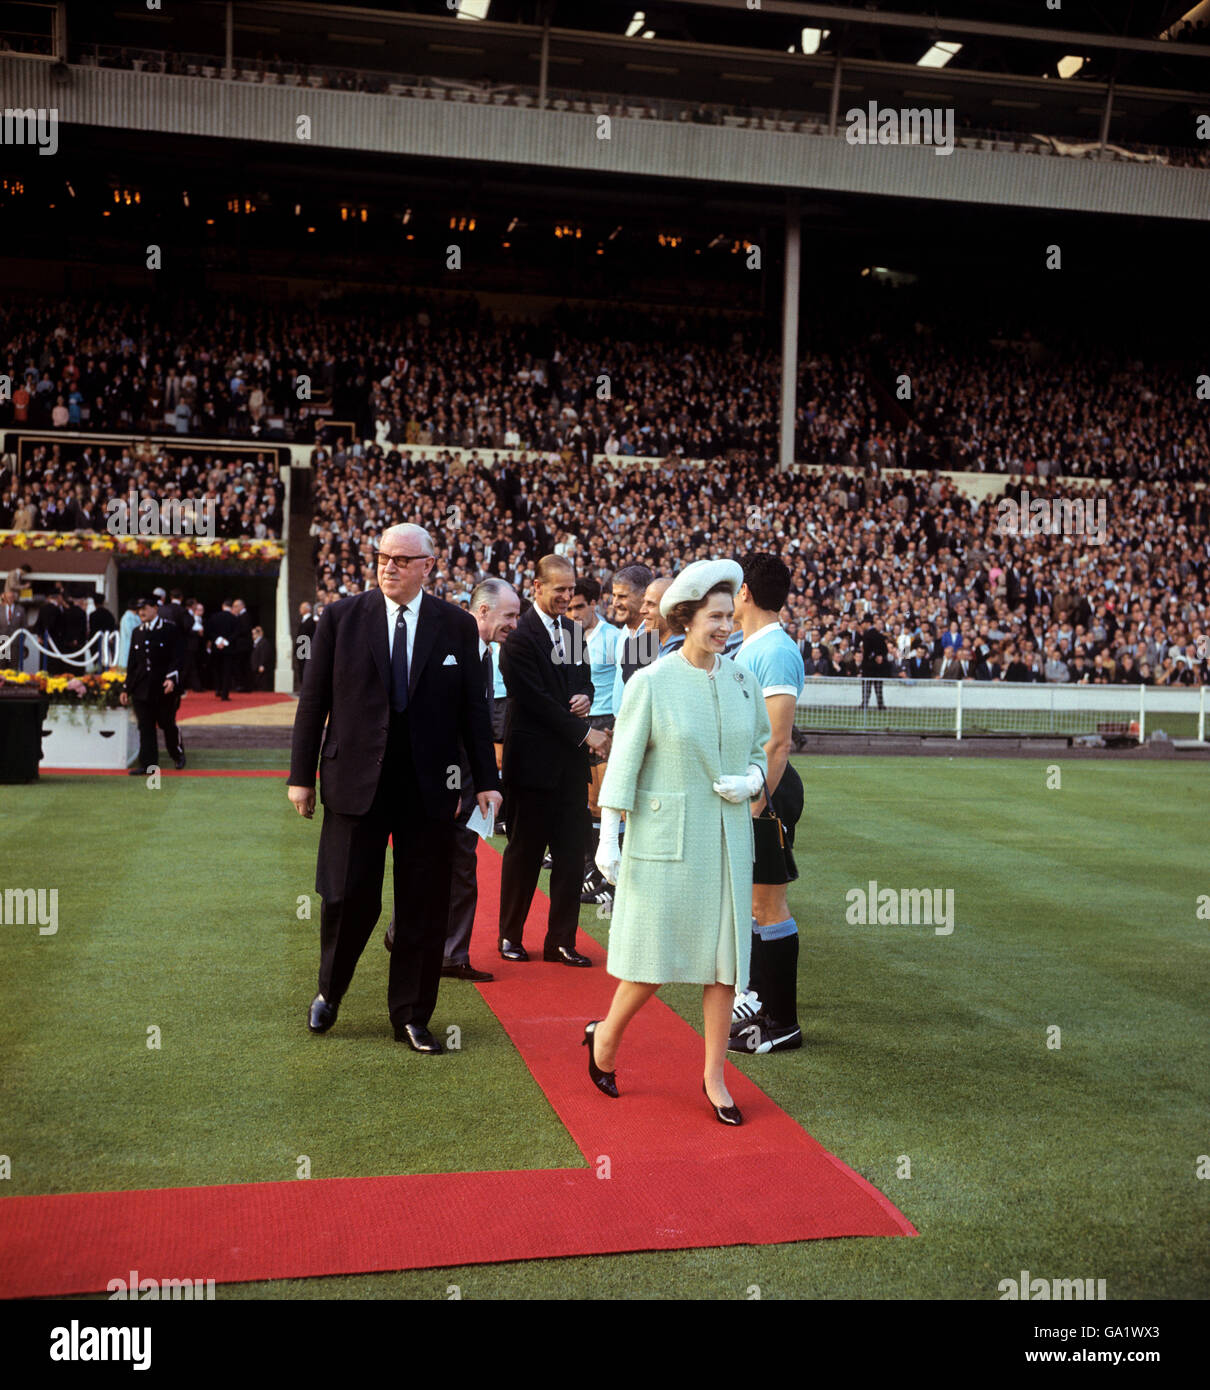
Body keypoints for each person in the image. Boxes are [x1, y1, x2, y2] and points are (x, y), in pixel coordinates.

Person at [287, 523, 501, 1053]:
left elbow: (474, 711)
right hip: (354, 782)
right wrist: (299, 776)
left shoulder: (456, 626)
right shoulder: (339, 618)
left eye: (402, 560)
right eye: (382, 556)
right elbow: (313, 703)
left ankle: (411, 1014)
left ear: (429, 565)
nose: (388, 566)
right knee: (346, 897)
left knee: (423, 905)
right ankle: (329, 993)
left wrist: (487, 782)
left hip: (429, 788)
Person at [587, 559, 770, 1124]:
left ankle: (715, 1077)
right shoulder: (652, 682)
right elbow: (623, 761)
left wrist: (754, 780)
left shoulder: (744, 680)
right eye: (714, 617)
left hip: (729, 842)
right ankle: (606, 1038)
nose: (724, 627)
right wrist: (608, 836)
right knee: (651, 960)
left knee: (723, 968)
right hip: (665, 840)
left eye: (727, 616)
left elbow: (761, 748)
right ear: (686, 619)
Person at [384, 577, 519, 982]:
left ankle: (437, 946)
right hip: (444, 781)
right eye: (509, 615)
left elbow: (477, 726)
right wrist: (457, 783)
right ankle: (427, 943)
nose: (515, 623)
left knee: (456, 864)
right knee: (441, 862)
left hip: (464, 780)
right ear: (482, 611)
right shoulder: (447, 646)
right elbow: (440, 725)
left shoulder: (486, 655)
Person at [496, 554, 610, 966]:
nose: (566, 596)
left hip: (568, 763)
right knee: (524, 853)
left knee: (569, 853)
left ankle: (561, 941)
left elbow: (583, 682)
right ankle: (510, 935)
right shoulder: (519, 638)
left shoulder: (574, 633)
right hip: (532, 763)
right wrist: (584, 730)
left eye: (570, 588)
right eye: (558, 588)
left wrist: (586, 698)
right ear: (537, 588)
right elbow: (535, 702)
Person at [728, 553, 806, 1055]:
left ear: (747, 595)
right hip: (755, 790)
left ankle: (784, 1022)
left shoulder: (774, 651)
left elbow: (778, 742)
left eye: (735, 589)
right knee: (754, 906)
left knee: (767, 904)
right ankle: (759, 1003)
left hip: (767, 793)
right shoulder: (754, 645)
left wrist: (758, 808)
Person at [119, 596, 185, 772]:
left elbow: (178, 656)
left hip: (163, 687)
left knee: (166, 723)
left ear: (155, 608)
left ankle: (177, 754)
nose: (141, 612)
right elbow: (133, 664)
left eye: (145, 608)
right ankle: (148, 764)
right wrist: (127, 688)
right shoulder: (137, 632)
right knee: (145, 727)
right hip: (142, 688)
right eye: (139, 608)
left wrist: (172, 678)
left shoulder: (170, 629)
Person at [207, 599, 237, 700]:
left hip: (216, 648)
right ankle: (225, 694)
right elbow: (237, 633)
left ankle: (218, 689)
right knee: (226, 672)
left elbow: (209, 631)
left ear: (222, 606)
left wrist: (218, 640)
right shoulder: (234, 618)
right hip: (229, 649)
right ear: (231, 607)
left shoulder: (214, 617)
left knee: (217, 670)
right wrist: (225, 641)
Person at [860, 611, 890, 710]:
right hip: (876, 665)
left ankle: (865, 704)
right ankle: (880, 705)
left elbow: (867, 650)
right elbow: (884, 650)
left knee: (867, 686)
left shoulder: (868, 635)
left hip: (869, 664)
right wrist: (879, 655)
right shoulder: (879, 635)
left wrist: (875, 656)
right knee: (877, 687)